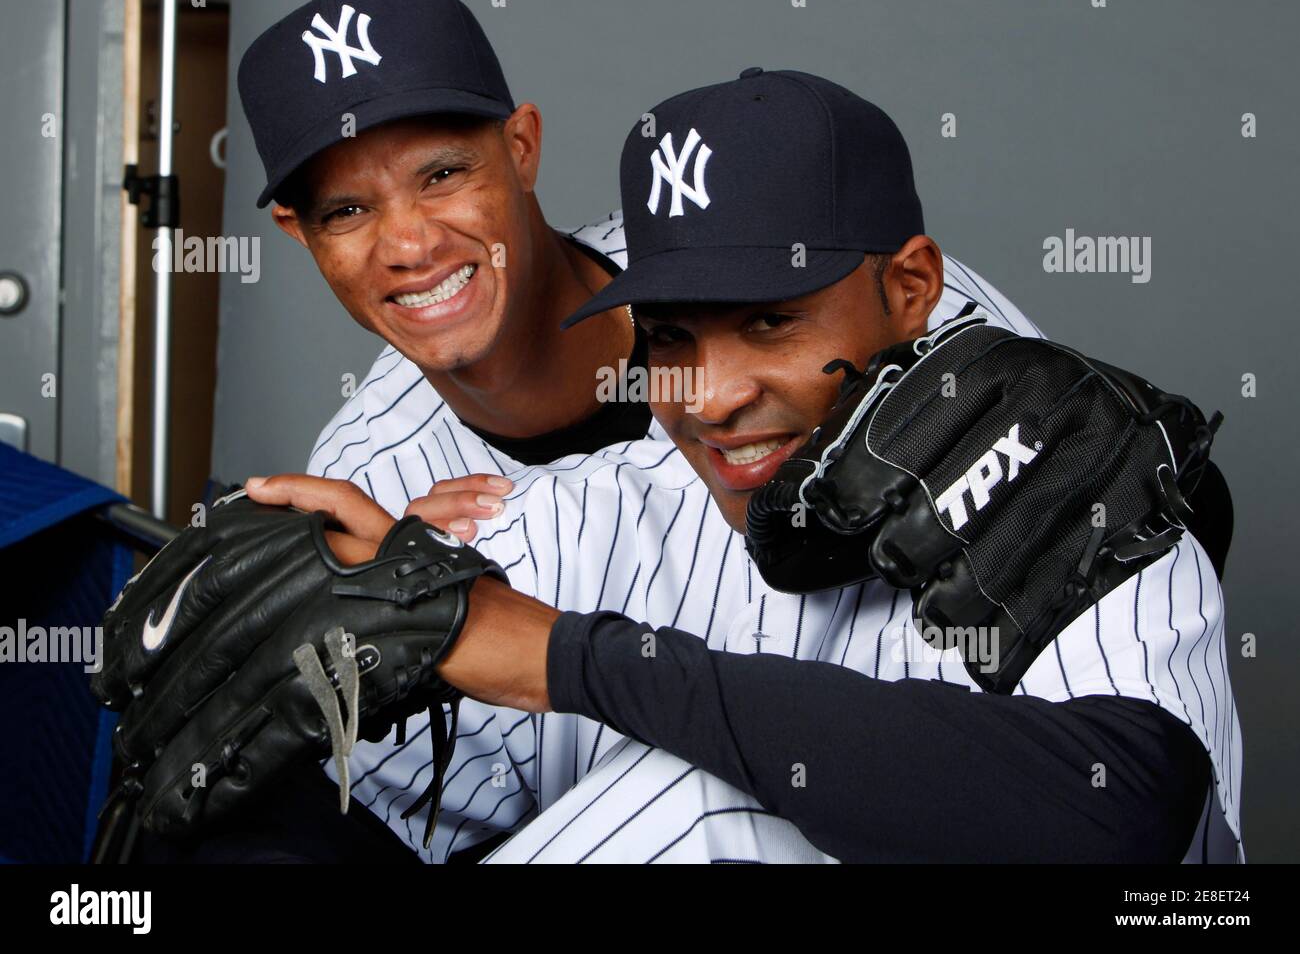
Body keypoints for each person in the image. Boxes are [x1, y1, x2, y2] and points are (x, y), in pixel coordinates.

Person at [232, 70, 1241, 862]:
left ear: (911, 287)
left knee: (705, 802)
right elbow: (348, 817)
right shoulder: (574, 524)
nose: (708, 395)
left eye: (769, 320)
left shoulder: (1066, 476)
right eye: (671, 336)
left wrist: (573, 662)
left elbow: (1118, 817)